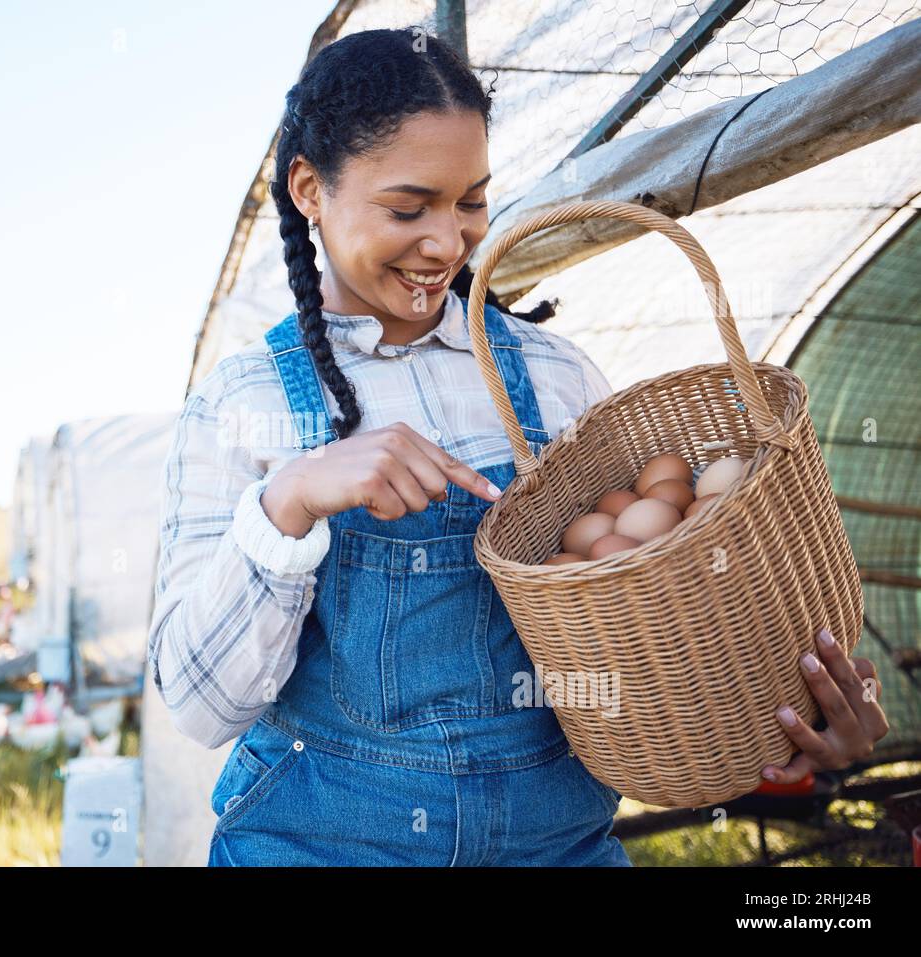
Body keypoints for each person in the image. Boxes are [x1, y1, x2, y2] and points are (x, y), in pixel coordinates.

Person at [146, 28, 889, 867]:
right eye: (407, 207)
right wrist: (292, 499)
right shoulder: (244, 404)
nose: (446, 242)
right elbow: (203, 707)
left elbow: (635, 630)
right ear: (311, 189)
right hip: (325, 843)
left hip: (556, 845)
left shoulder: (552, 376)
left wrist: (780, 713)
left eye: (471, 202)